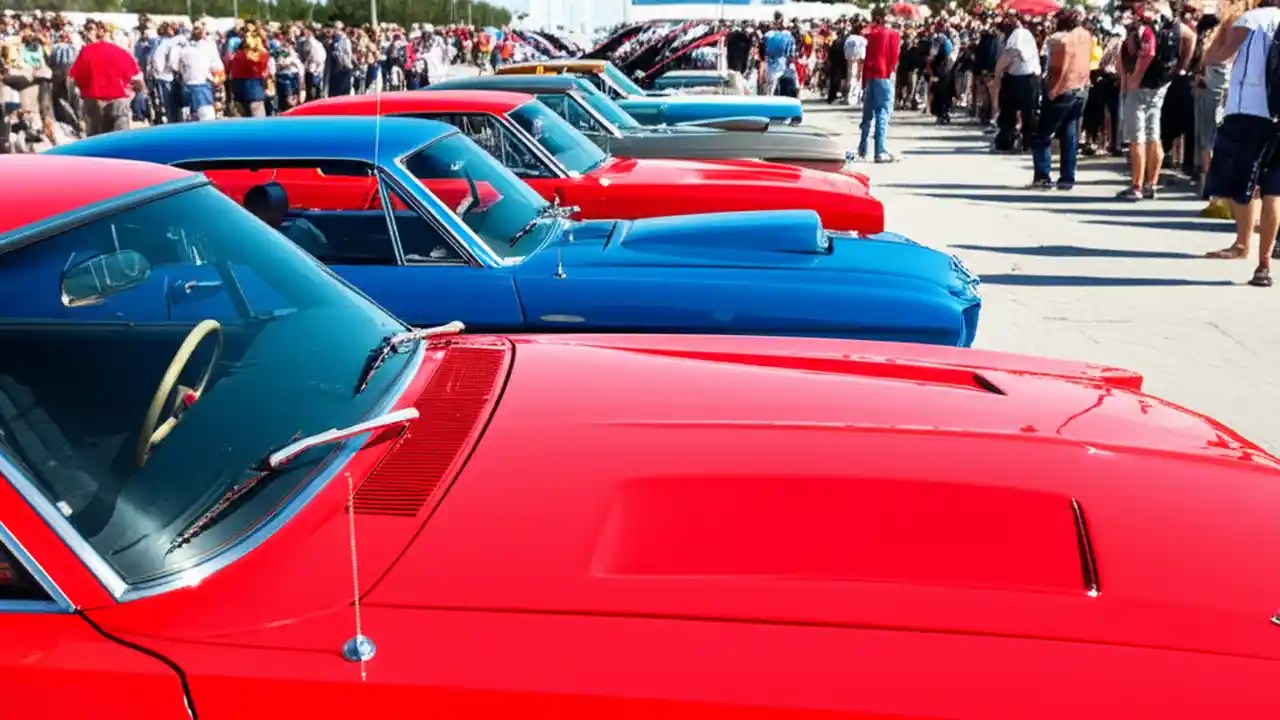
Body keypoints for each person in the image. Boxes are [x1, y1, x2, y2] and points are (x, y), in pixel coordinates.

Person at [1200, 0, 1280, 287]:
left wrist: (1214, 37)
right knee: (1273, 191)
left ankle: (1242, 243)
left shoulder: (1253, 19)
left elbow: (1217, 57)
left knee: (1243, 182)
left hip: (1249, 112)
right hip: (1277, 116)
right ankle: (1264, 264)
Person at [1117, 3, 1176, 201]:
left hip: (1142, 85)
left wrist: (1135, 78)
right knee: (1153, 134)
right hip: (1160, 83)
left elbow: (1147, 51)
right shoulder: (1170, 22)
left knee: (1137, 137)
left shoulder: (1145, 22)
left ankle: (1136, 185)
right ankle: (1152, 183)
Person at [1030, 9, 1092, 191]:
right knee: (1069, 134)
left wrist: (1053, 90)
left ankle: (1042, 176)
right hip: (1081, 89)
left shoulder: (1062, 41)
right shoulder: (1086, 36)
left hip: (1064, 89)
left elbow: (1060, 68)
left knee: (1042, 134)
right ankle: (1067, 177)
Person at [68, 21, 143, 136]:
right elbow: (137, 80)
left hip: (93, 102)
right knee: (120, 140)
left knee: (95, 141)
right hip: (118, 101)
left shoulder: (85, 52)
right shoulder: (122, 53)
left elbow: (75, 78)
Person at [857, 7, 901, 163]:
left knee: (867, 114)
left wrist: (863, 81)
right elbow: (894, 57)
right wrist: (891, 72)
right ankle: (879, 150)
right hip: (883, 75)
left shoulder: (870, 35)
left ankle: (862, 148)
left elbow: (864, 57)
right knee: (882, 112)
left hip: (870, 75)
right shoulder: (893, 35)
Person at [993, 12, 1041, 153]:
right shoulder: (1018, 35)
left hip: (1024, 78)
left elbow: (1012, 54)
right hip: (1017, 76)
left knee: (1022, 112)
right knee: (1012, 110)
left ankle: (1023, 140)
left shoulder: (1020, 33)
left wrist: (998, 70)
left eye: (1011, 17)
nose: (1008, 20)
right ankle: (1014, 139)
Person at [178, 23, 222, 121]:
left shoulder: (186, 49)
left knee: (192, 118)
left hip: (192, 86)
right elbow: (217, 67)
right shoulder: (207, 47)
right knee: (205, 119)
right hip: (200, 86)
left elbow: (178, 67)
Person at [762, 13, 796, 97]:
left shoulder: (768, 35)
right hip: (782, 61)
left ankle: (769, 98)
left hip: (769, 61)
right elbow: (791, 53)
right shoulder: (788, 36)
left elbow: (762, 48)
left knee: (771, 82)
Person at [844, 21, 867, 105]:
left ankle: (850, 97)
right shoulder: (863, 40)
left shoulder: (849, 39)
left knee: (852, 78)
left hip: (852, 60)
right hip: (859, 60)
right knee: (857, 79)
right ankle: (856, 97)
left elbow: (845, 50)